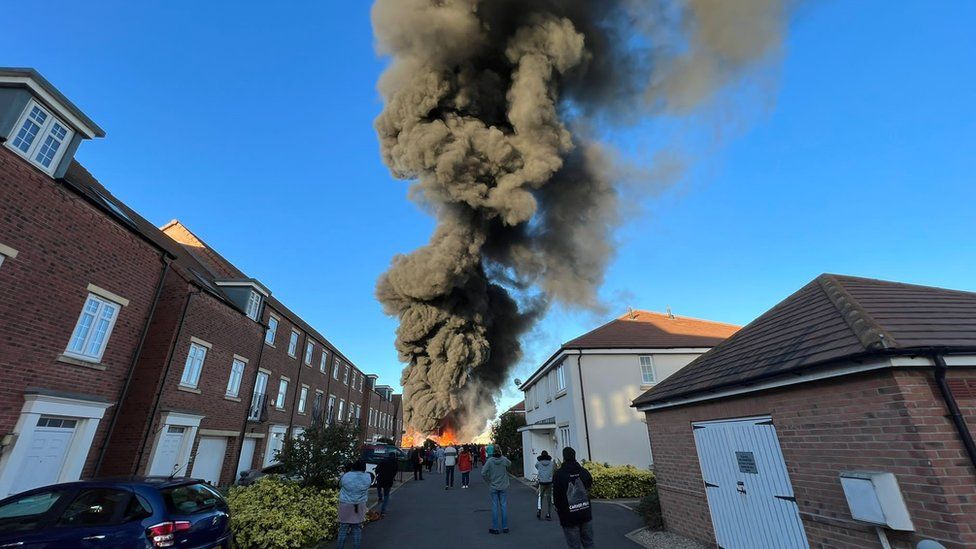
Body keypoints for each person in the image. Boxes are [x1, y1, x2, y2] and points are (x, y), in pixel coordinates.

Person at [553, 447, 594, 549]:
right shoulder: (584, 472)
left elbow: (557, 496)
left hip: (569, 517)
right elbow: (589, 485)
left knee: (574, 546)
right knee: (589, 543)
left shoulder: (559, 474)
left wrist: (559, 509)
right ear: (575, 456)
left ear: (564, 457)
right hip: (585, 513)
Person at [337, 460, 373, 549]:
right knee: (357, 529)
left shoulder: (346, 476)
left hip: (346, 504)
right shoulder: (367, 477)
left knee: (343, 529)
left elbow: (340, 485)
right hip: (359, 505)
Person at [481, 446, 511, 535]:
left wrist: (488, 481)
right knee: (504, 506)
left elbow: (483, 473)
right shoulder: (504, 459)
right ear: (500, 452)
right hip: (503, 486)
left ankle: (495, 528)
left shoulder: (490, 461)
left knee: (494, 507)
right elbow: (510, 464)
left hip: (493, 486)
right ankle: (505, 527)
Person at [535, 450, 555, 520]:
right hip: (549, 482)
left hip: (542, 482)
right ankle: (548, 514)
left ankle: (539, 509)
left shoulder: (539, 463)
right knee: (549, 498)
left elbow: (536, 467)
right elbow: (554, 469)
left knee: (540, 496)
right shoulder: (552, 463)